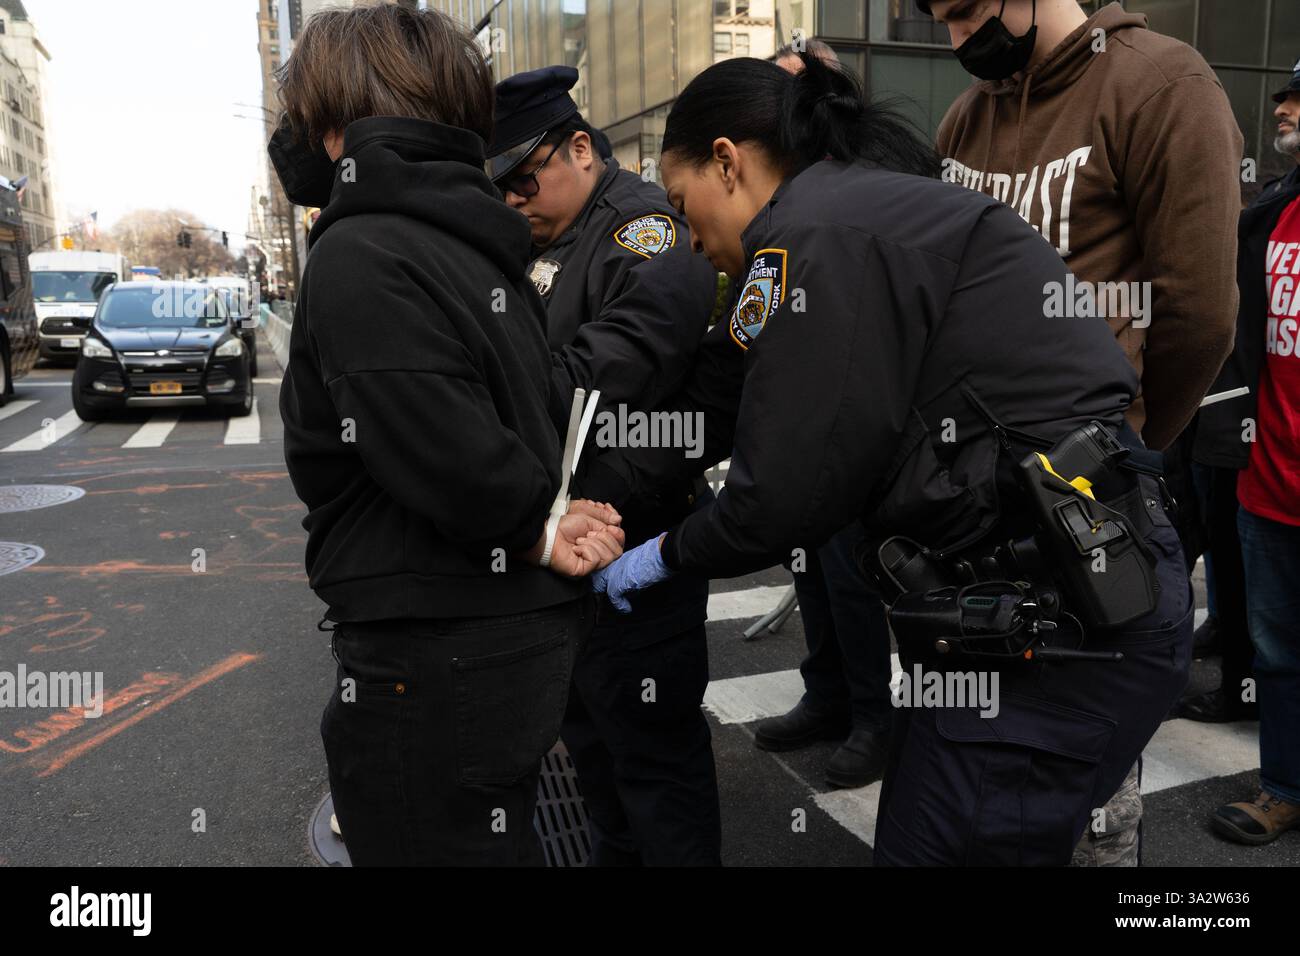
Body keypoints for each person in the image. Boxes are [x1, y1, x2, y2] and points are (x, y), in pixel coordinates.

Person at [590, 50, 1192, 866]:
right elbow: (727, 400)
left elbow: (781, 495)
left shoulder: (816, 235)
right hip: (1028, 607)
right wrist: (605, 481)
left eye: (679, 200)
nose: (689, 239)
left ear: (726, 162)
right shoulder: (823, 227)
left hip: (1062, 616)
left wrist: (662, 554)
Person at [271, 5, 624, 866]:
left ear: (333, 128)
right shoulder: (472, 236)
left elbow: (441, 440)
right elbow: (518, 409)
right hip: (498, 634)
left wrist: (535, 526)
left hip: (435, 649)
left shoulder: (362, 250)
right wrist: (544, 524)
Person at [921, 0, 1241, 867]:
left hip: (1086, 503)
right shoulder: (967, 114)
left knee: (1083, 807)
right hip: (965, 510)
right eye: (941, 19)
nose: (957, 40)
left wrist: (1126, 445)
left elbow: (1201, 315)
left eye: (967, 9)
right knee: (975, 781)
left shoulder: (1161, 83)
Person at [486, 66, 727, 865]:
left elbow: (621, 376)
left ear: (580, 147)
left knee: (654, 756)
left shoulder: (644, 232)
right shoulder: (538, 239)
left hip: (633, 535)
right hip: (565, 541)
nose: (514, 198)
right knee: (591, 745)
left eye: (524, 176)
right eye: (501, 186)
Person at [751, 42, 898, 787]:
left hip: (859, 417)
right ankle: (828, 695)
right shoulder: (780, 187)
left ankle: (874, 716)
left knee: (849, 575)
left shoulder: (857, 181)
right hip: (800, 416)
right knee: (811, 567)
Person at [1197, 65, 1300, 845]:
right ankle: (1283, 787)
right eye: (1284, 95)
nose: (1283, 109)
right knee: (1277, 655)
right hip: (1268, 487)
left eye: (1299, 99)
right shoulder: (1271, 216)